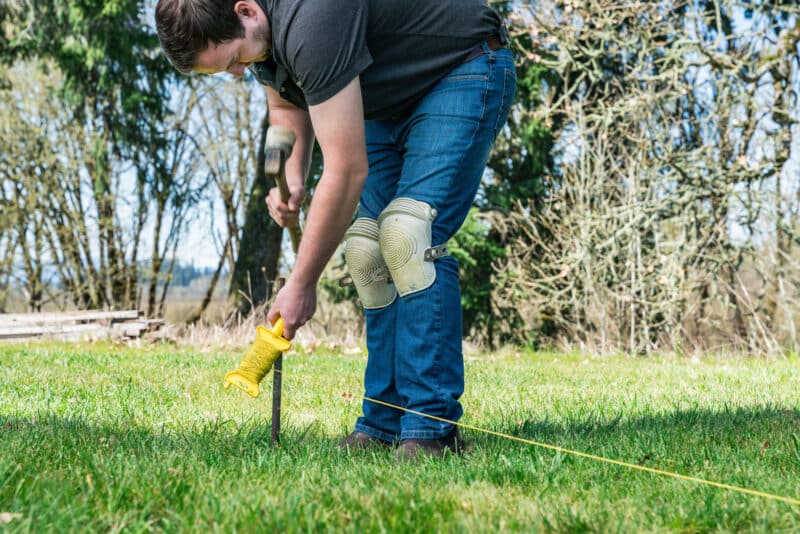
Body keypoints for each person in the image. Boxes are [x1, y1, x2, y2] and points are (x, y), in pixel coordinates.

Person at [155, 0, 516, 460]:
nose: (237, 73)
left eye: (233, 60)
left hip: (460, 69)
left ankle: (430, 428)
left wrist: (302, 283)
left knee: (408, 235)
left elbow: (346, 171)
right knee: (368, 252)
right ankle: (383, 422)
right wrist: (293, 179)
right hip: (383, 99)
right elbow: (286, 109)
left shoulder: (312, 17)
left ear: (245, 11)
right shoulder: (261, 35)